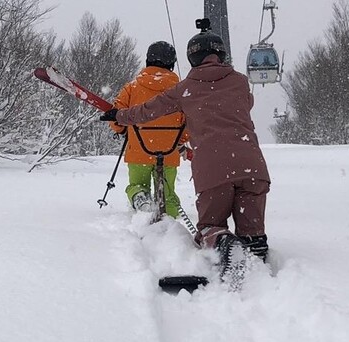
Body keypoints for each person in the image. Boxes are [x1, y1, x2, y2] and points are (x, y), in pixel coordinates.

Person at [101, 23, 270, 262]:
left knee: (212, 226)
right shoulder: (241, 82)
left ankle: (218, 240)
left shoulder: (185, 90)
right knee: (252, 230)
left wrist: (118, 116)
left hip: (214, 170)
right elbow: (246, 103)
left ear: (192, 58)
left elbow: (147, 111)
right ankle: (256, 257)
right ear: (221, 55)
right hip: (252, 167)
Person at [110, 41, 189, 217]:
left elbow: (116, 115)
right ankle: (168, 222)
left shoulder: (132, 87)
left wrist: (122, 130)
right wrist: (180, 141)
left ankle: (140, 198)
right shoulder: (181, 90)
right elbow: (188, 121)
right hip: (169, 152)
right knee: (168, 194)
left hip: (139, 150)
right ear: (172, 63)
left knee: (137, 184)